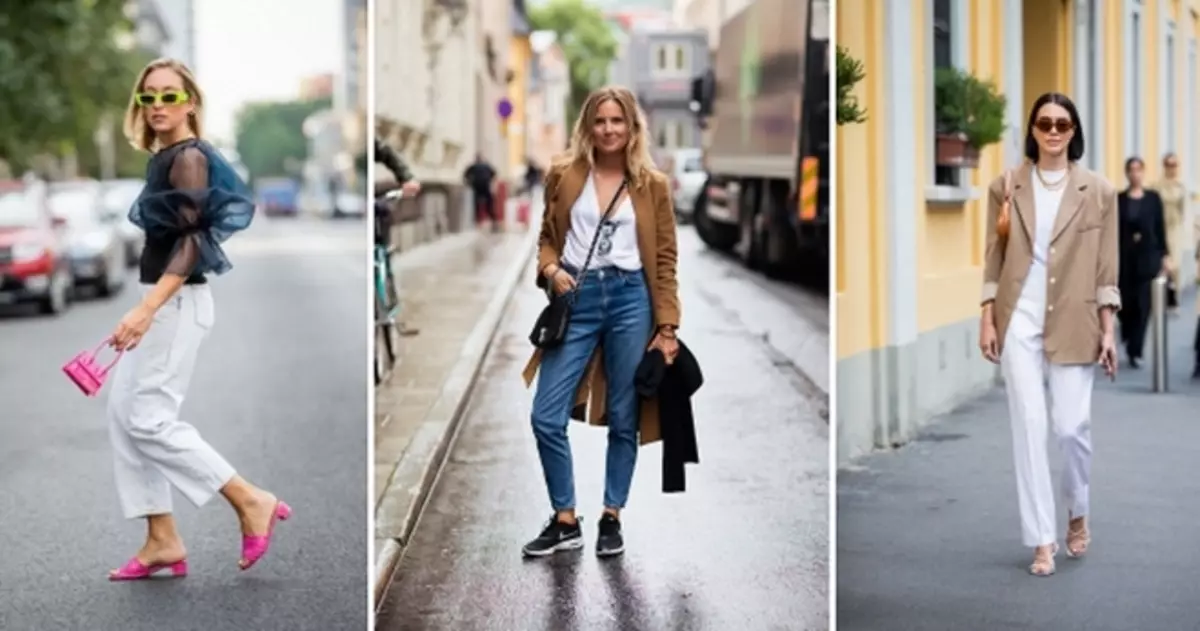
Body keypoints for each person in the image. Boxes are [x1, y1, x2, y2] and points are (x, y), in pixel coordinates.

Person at [106, 58, 290, 581]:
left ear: (190, 101)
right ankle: (162, 539)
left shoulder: (188, 158)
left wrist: (146, 309)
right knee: (124, 417)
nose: (158, 106)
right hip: (163, 300)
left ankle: (250, 499)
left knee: (148, 419)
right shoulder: (166, 155)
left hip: (175, 303)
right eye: (149, 97)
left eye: (169, 96)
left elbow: (191, 242)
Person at [519, 85, 681, 558]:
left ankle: (612, 515)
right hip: (578, 297)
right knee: (545, 414)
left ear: (633, 127)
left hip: (632, 299)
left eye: (618, 121)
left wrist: (667, 326)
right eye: (600, 121)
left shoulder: (652, 184)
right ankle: (565, 519)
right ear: (587, 126)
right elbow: (548, 239)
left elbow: (666, 258)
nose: (609, 130)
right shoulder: (563, 174)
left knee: (625, 416)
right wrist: (552, 271)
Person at [979, 92, 1119, 577]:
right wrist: (987, 316)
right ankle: (1042, 539)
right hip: (1018, 314)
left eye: (1063, 123)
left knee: (1070, 427)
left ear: (1074, 130)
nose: (1054, 131)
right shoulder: (1008, 186)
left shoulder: (1099, 191)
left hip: (1076, 317)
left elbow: (1107, 269)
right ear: (1033, 130)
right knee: (1030, 427)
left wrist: (1108, 329)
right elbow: (993, 256)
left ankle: (1077, 509)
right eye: (1045, 123)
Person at [1117, 157, 1169, 368]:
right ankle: (1128, 334)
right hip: (1125, 259)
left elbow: (1160, 229)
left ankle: (1135, 349)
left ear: (1143, 172)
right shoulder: (1119, 199)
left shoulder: (1153, 199)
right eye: (1131, 170)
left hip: (1148, 258)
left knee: (1143, 306)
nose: (1135, 173)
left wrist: (1165, 255)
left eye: (1139, 169)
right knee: (1126, 304)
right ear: (1127, 173)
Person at [1152, 153, 1185, 315]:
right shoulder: (1156, 186)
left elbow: (1184, 210)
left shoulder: (1181, 186)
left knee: (1176, 266)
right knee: (1162, 265)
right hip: (1160, 228)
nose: (1172, 169)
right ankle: (1162, 299)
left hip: (1176, 229)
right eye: (1169, 165)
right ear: (1164, 166)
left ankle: (1175, 297)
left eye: (1174, 165)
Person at [463, 153, 498, 231]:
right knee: (489, 206)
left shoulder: (473, 166)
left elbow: (465, 175)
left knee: (476, 207)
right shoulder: (486, 166)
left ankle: (476, 224)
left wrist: (469, 183)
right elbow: (494, 174)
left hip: (477, 188)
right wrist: (489, 180)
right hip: (485, 187)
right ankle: (494, 223)